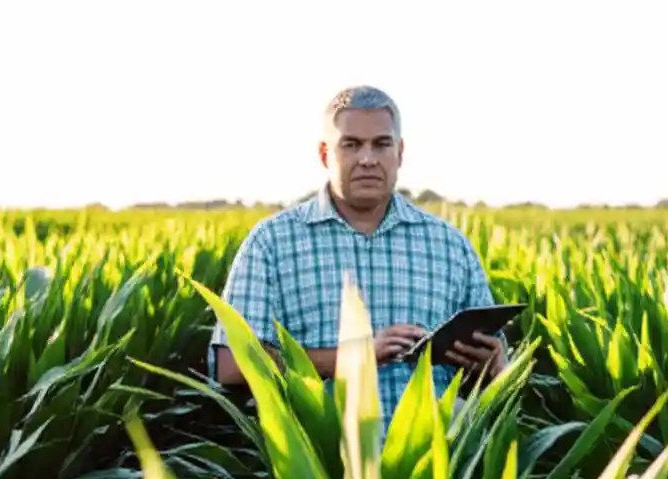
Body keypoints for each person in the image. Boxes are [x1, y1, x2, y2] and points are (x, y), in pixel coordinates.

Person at [208, 85, 507, 423]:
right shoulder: (271, 243)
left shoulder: (450, 246)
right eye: (351, 145)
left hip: (437, 464)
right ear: (324, 154)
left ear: (400, 152)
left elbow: (492, 367)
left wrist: (494, 366)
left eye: (381, 144)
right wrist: (355, 356)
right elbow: (231, 365)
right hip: (321, 467)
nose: (368, 159)